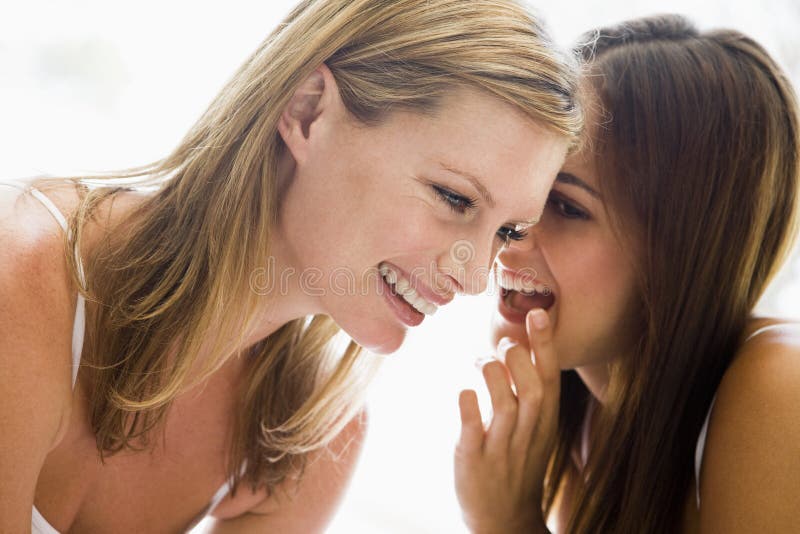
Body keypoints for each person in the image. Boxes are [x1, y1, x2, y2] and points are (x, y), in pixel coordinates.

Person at [0, 1, 583, 532]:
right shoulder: (22, 278)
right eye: (453, 198)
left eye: (507, 232)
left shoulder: (306, 435)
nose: (475, 278)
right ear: (307, 112)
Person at [455, 14, 800, 534]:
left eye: (566, 206)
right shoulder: (586, 420)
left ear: (681, 253)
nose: (511, 231)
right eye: (528, 189)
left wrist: (508, 522)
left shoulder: (781, 389)